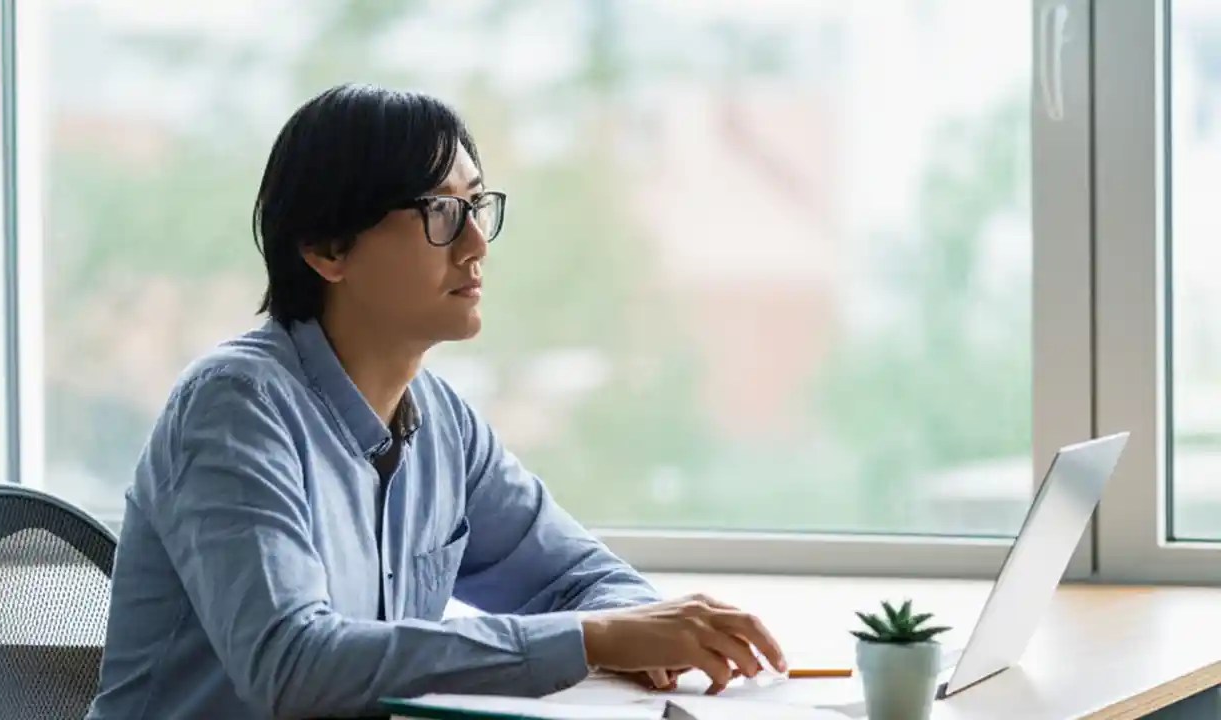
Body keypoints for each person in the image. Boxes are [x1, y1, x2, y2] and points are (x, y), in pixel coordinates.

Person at [86, 83, 786, 720]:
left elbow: (583, 579)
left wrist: (643, 631)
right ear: (328, 249)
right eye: (442, 213)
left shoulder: (443, 422)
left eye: (476, 206)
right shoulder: (236, 409)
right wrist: (591, 638)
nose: (477, 244)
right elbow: (292, 665)